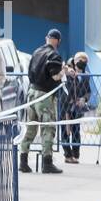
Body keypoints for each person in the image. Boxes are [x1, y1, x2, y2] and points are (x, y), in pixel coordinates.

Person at [19, 28, 65, 174]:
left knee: (30, 127)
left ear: (47, 38)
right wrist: (63, 71)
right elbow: (55, 77)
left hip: (31, 93)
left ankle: (23, 161)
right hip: (44, 96)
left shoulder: (37, 51)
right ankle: (47, 162)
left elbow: (29, 72)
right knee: (48, 128)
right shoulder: (54, 55)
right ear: (58, 41)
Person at [60, 52, 91, 163]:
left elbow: (88, 92)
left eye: (84, 60)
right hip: (66, 105)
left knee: (76, 130)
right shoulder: (68, 72)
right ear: (74, 60)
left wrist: (84, 99)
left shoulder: (86, 75)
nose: (82, 62)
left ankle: (76, 153)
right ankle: (67, 154)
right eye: (79, 59)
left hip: (78, 108)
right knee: (65, 130)